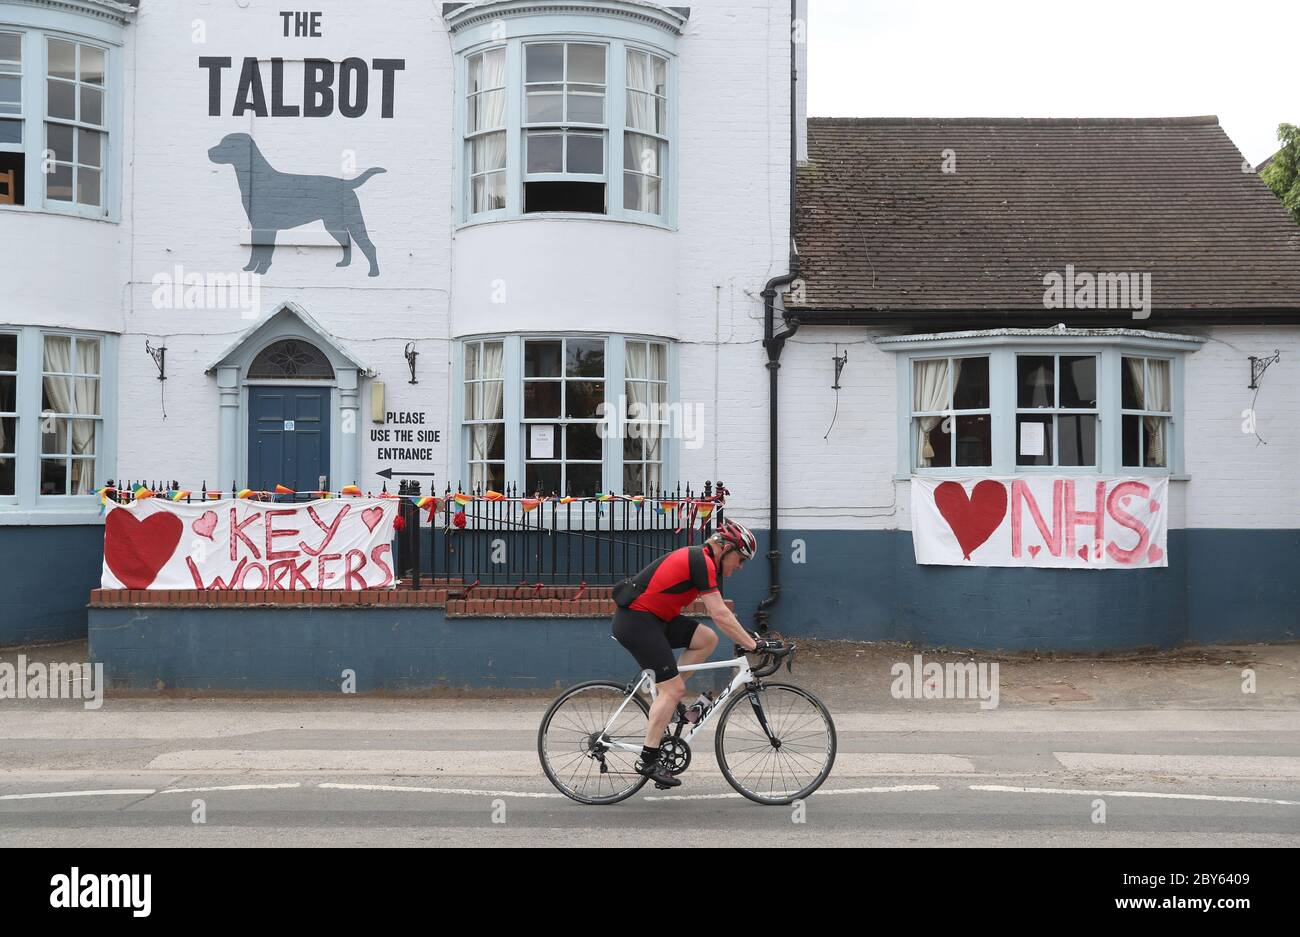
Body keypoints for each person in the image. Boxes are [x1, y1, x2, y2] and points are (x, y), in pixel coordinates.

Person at [610, 520, 771, 788]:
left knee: (706, 639)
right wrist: (754, 645)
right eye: (740, 559)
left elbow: (719, 618)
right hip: (638, 621)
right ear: (726, 548)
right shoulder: (701, 561)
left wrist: (751, 640)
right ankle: (648, 760)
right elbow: (719, 613)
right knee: (672, 690)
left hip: (656, 620)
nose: (739, 567)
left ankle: (667, 704)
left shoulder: (705, 562)